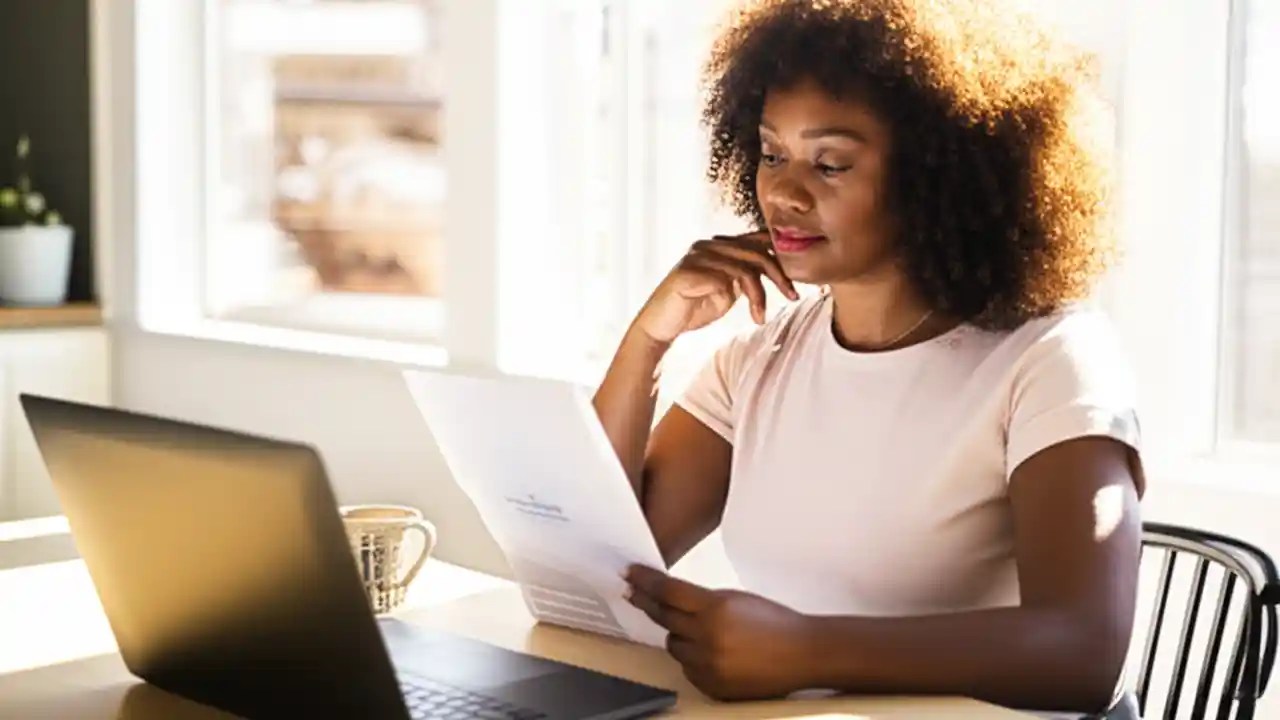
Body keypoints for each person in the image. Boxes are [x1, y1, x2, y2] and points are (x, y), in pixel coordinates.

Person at [591, 0, 1145, 717]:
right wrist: (648, 343)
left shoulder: (1050, 359)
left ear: (937, 176)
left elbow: (1084, 651)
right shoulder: (760, 358)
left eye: (830, 164)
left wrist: (805, 651)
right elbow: (602, 567)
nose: (784, 193)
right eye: (770, 153)